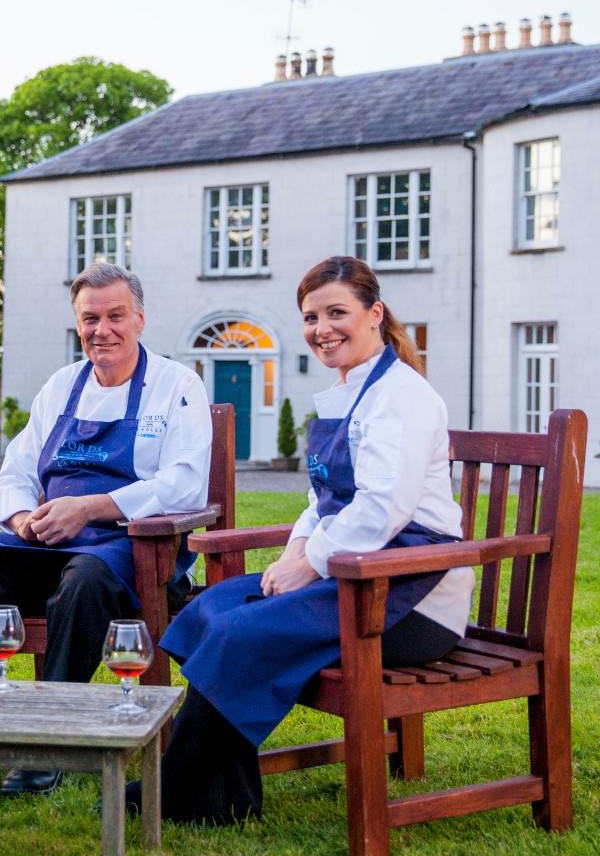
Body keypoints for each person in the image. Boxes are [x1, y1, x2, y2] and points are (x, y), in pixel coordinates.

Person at [138, 255, 470, 824]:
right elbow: (325, 500)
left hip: (413, 597)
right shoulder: (350, 391)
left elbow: (383, 508)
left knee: (243, 631)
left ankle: (176, 790)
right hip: (358, 571)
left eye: (337, 312)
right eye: (311, 317)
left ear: (375, 313)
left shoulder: (404, 396)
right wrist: (297, 547)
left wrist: (309, 564)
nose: (322, 329)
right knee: (214, 608)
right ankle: (224, 792)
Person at [0, 261, 212, 796]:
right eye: (90, 319)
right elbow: (15, 474)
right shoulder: (60, 387)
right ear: (78, 323)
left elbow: (185, 486)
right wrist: (22, 518)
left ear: (139, 319)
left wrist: (89, 508)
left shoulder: (176, 386)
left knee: (85, 578)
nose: (102, 330)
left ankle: (48, 742)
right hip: (48, 546)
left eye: (115, 316)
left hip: (130, 550)